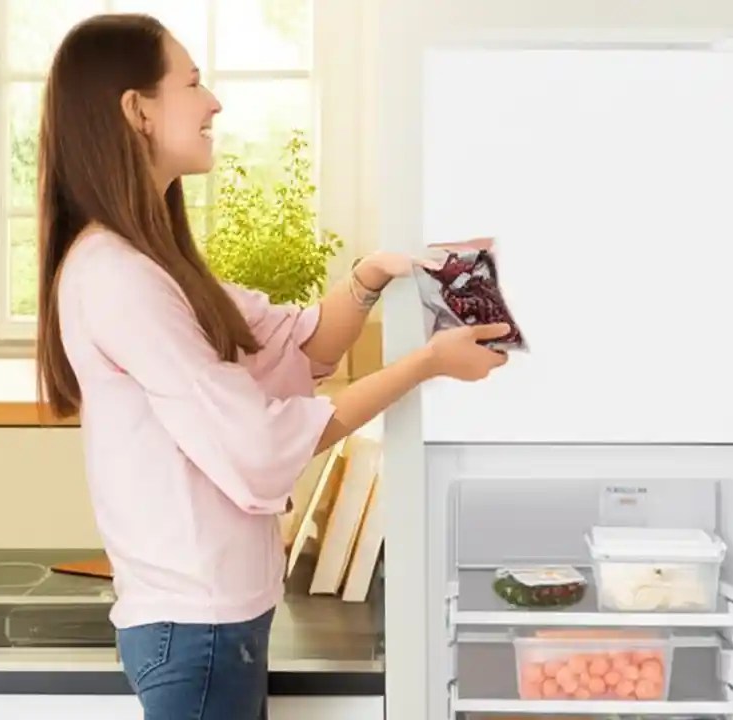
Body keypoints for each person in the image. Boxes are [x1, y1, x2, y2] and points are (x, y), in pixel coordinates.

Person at [33, 13, 509, 719]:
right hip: (194, 630)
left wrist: (373, 274)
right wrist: (425, 365)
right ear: (138, 110)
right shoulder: (119, 278)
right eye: (192, 83)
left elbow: (300, 346)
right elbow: (258, 446)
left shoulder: (151, 263)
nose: (214, 102)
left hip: (212, 624)